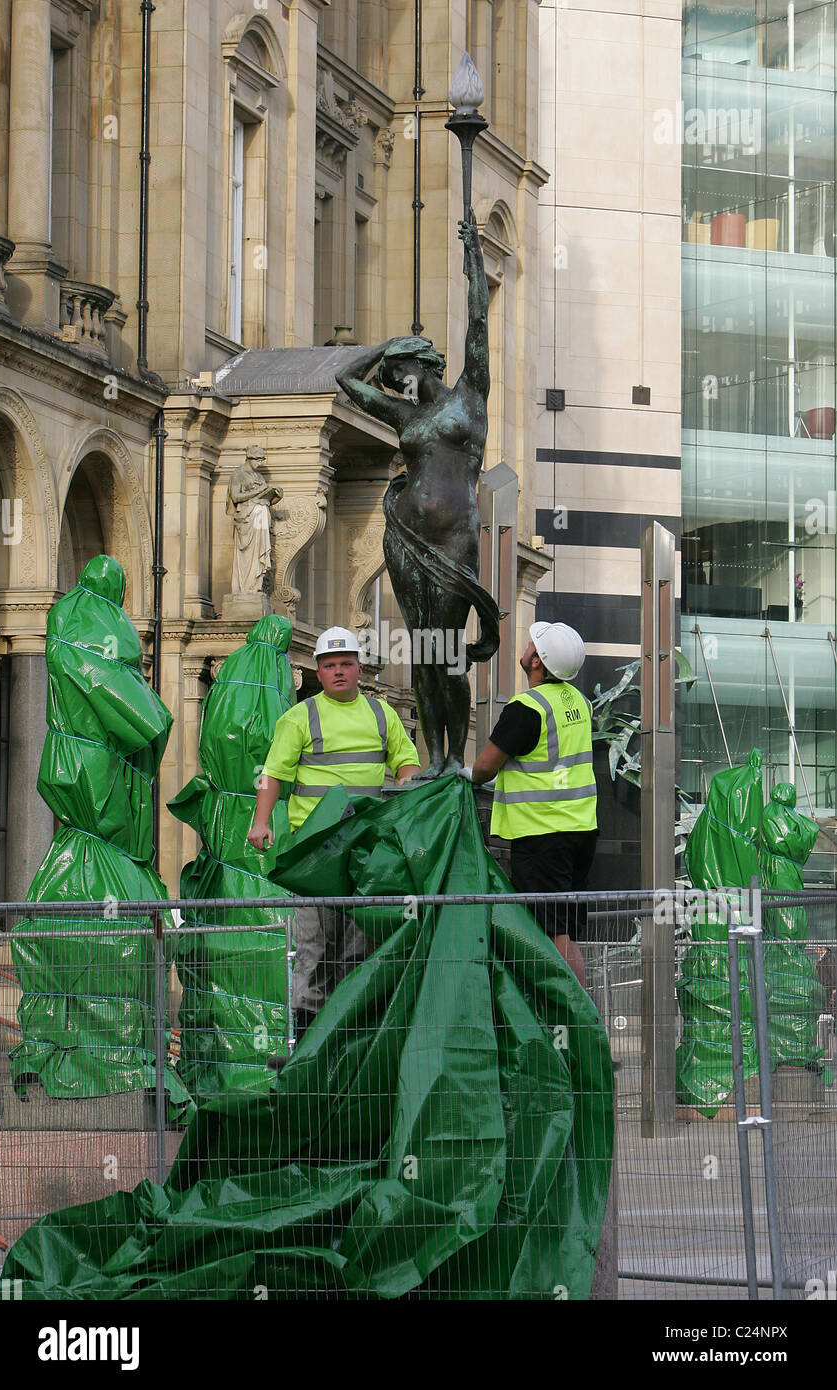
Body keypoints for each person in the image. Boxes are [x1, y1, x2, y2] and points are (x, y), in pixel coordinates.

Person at [335, 210, 501, 779]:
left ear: (422, 363)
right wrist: (382, 347)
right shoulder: (405, 413)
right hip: (406, 540)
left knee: (449, 653)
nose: (391, 380)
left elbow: (478, 318)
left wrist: (474, 256)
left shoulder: (468, 396)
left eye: (398, 369)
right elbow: (347, 382)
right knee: (425, 655)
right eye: (391, 373)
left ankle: (457, 758)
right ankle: (435, 760)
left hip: (452, 542)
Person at [248, 626, 420, 1025]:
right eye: (329, 665)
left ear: (360, 668)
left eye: (346, 663)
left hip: (366, 849)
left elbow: (407, 764)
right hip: (317, 853)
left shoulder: (382, 714)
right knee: (315, 948)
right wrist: (260, 823)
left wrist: (410, 783)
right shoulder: (300, 717)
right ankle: (310, 1050)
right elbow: (273, 775)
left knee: (361, 948)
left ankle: (351, 1041)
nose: (338, 671)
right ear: (319, 672)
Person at [461, 622, 597, 987]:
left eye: (531, 645)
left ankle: (574, 1021)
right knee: (562, 930)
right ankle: (573, 1022)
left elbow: (486, 766)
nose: (525, 648)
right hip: (579, 829)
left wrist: (461, 773)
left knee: (550, 934)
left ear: (537, 661)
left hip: (542, 834)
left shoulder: (527, 706)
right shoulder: (579, 703)